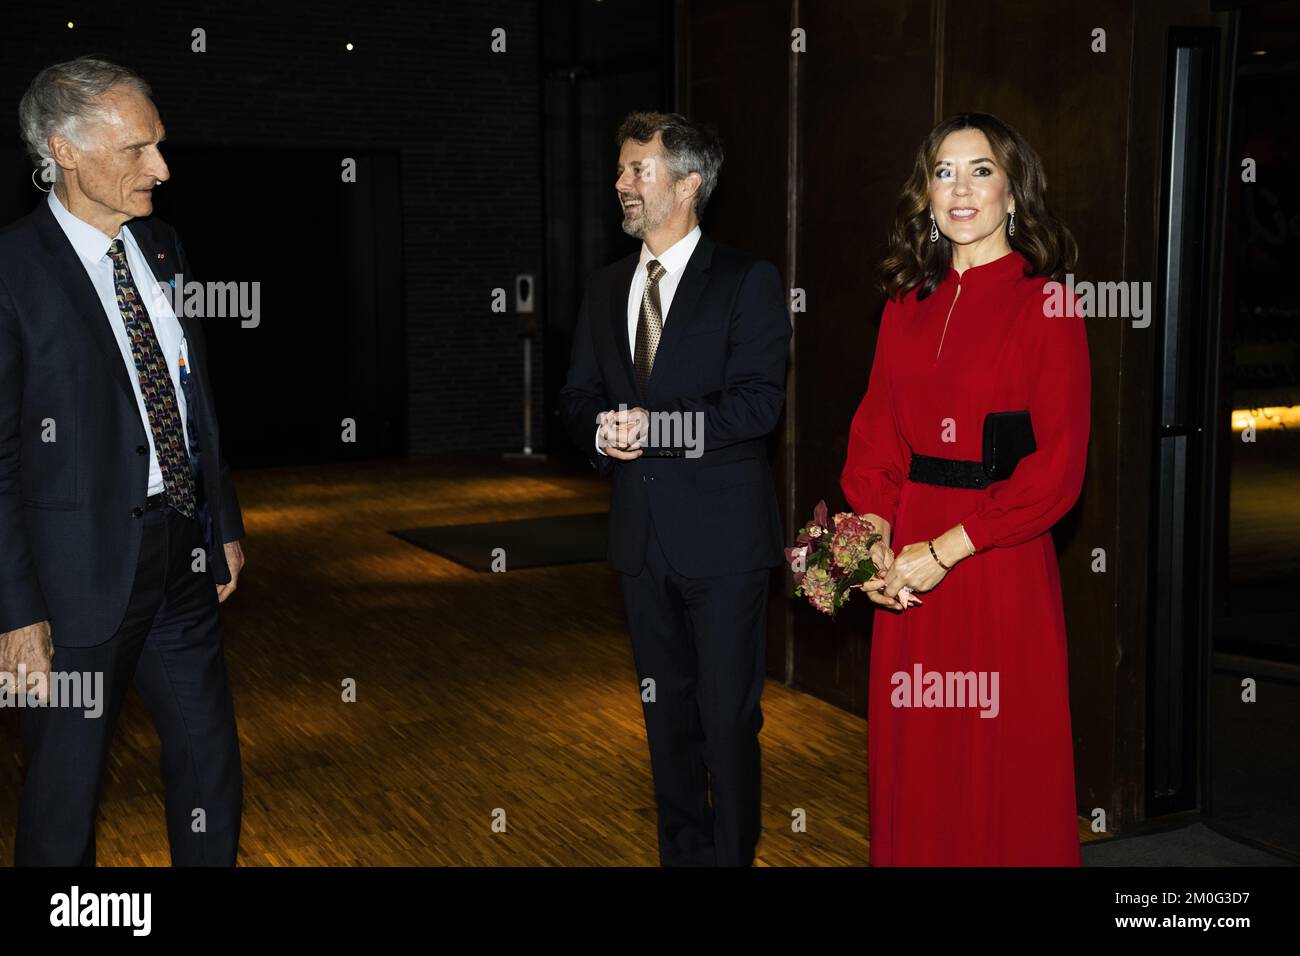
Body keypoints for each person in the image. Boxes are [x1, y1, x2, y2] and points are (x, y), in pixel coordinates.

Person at [0, 57, 246, 865]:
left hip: (180, 551)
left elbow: (193, 395)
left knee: (210, 764)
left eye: (160, 146)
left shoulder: (162, 246)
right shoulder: (12, 272)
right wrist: (15, 614)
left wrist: (223, 520)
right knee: (63, 797)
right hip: (73, 585)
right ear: (64, 151)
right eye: (138, 149)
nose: (161, 169)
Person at [841, 112, 1089, 865]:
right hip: (909, 552)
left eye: (980, 170)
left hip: (996, 559)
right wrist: (876, 539)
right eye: (943, 171)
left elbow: (1058, 470)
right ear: (926, 193)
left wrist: (945, 550)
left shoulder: (1048, 303)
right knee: (920, 757)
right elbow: (876, 439)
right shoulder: (904, 305)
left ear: (1013, 192)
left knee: (1001, 757)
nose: (960, 188)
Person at [556, 111, 791, 865]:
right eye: (622, 171)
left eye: (637, 171)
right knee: (667, 727)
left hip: (724, 546)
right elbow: (577, 395)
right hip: (640, 544)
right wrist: (599, 429)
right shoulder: (603, 287)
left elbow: (758, 406)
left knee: (726, 725)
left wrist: (651, 428)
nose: (621, 184)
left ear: (688, 183)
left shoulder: (747, 281)